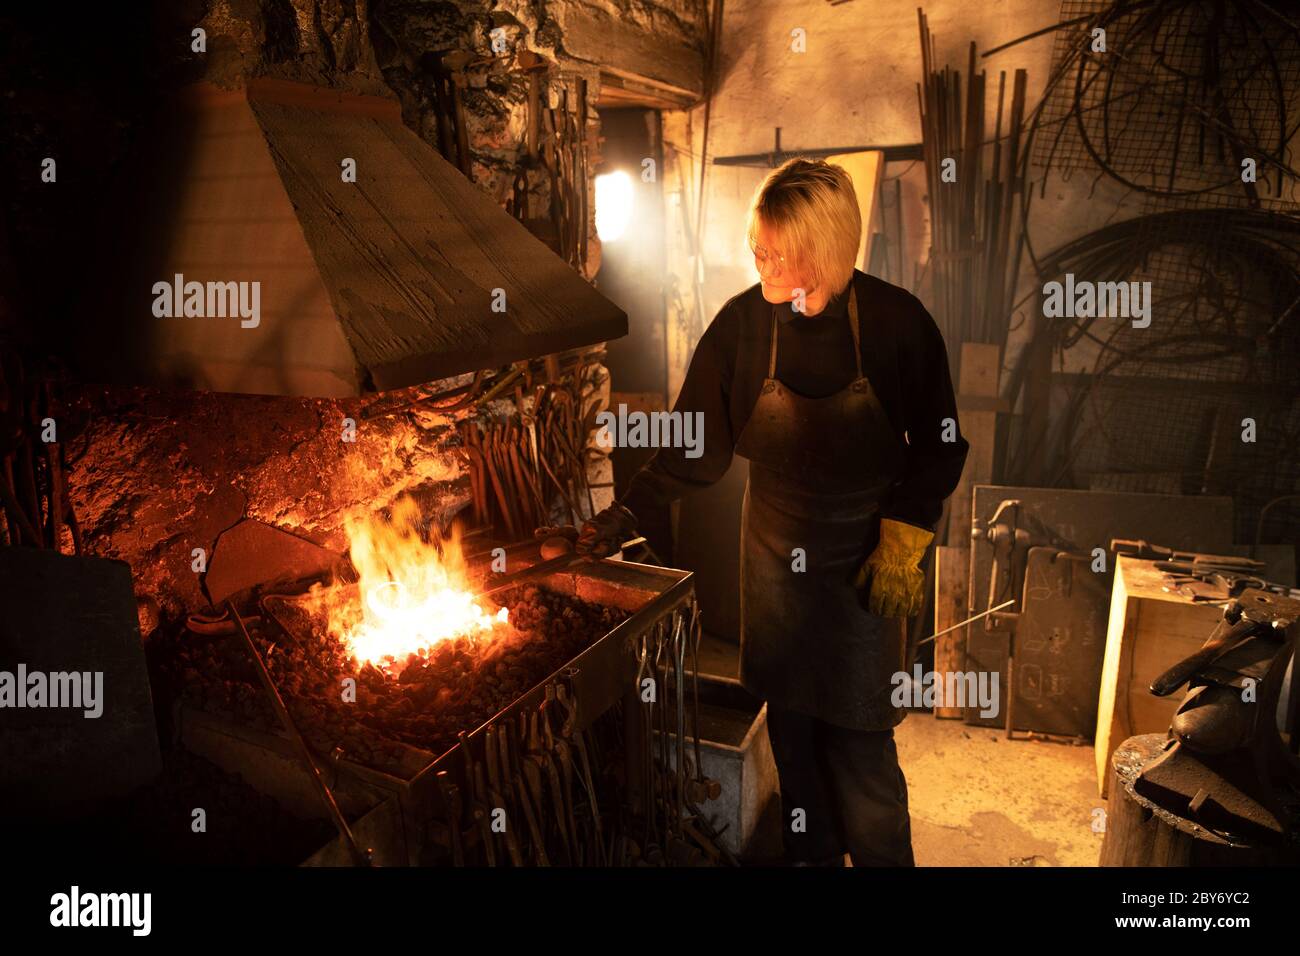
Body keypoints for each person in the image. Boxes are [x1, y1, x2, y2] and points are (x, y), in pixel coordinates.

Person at [578, 158, 968, 866]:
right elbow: (696, 447)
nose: (759, 262)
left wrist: (906, 534)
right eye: (757, 247)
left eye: (776, 251)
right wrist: (623, 513)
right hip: (775, 563)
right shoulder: (742, 327)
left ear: (824, 251)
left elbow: (942, 446)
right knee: (792, 741)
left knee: (860, 750)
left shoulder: (896, 325)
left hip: (868, 562)